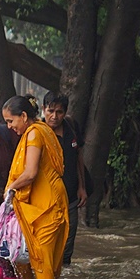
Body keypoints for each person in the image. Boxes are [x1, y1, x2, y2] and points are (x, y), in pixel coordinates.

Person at [2, 94, 69, 279]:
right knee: (29, 256)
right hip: (45, 198)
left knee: (42, 260)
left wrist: (11, 188)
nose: (9, 126)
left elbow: (30, 173)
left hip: (47, 203)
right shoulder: (44, 130)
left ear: (23, 116)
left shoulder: (34, 133)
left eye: (10, 121)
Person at [42, 92, 93, 265]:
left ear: (65, 113)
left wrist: (82, 186)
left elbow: (78, 156)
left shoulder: (71, 126)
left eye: (59, 112)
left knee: (68, 245)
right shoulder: (38, 133)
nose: (54, 116)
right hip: (48, 200)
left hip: (71, 195)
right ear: (43, 109)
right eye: (50, 111)